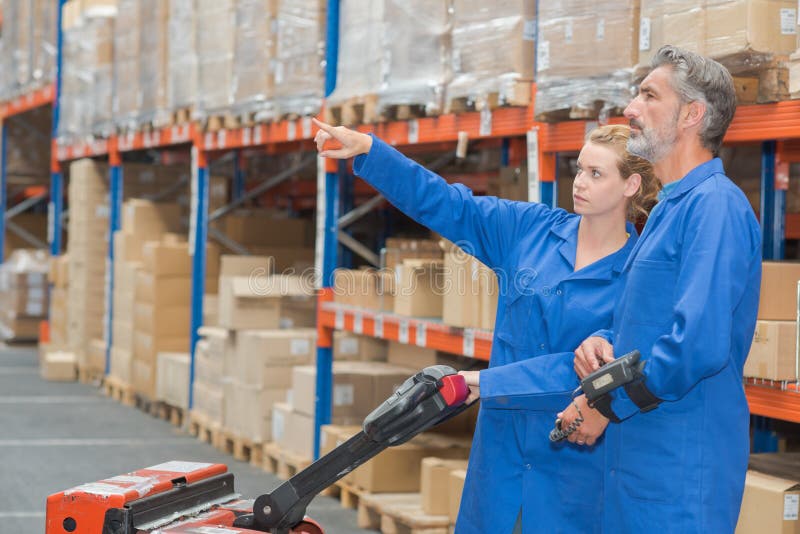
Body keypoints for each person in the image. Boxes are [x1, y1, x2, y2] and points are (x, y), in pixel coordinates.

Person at [313, 118, 659, 533]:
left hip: (574, 459)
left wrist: (483, 382)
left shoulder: (640, 274)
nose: (579, 182)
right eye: (579, 169)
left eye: (596, 174)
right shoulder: (530, 231)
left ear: (631, 186)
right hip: (499, 449)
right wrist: (371, 150)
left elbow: (589, 366)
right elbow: (448, 205)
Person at [477, 45, 762, 532]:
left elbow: (696, 344)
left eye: (649, 96)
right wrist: (603, 337)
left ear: (692, 114)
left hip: (678, 473)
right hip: (638, 466)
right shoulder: (669, 210)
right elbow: (649, 322)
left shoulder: (714, 207)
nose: (630, 108)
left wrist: (608, 403)